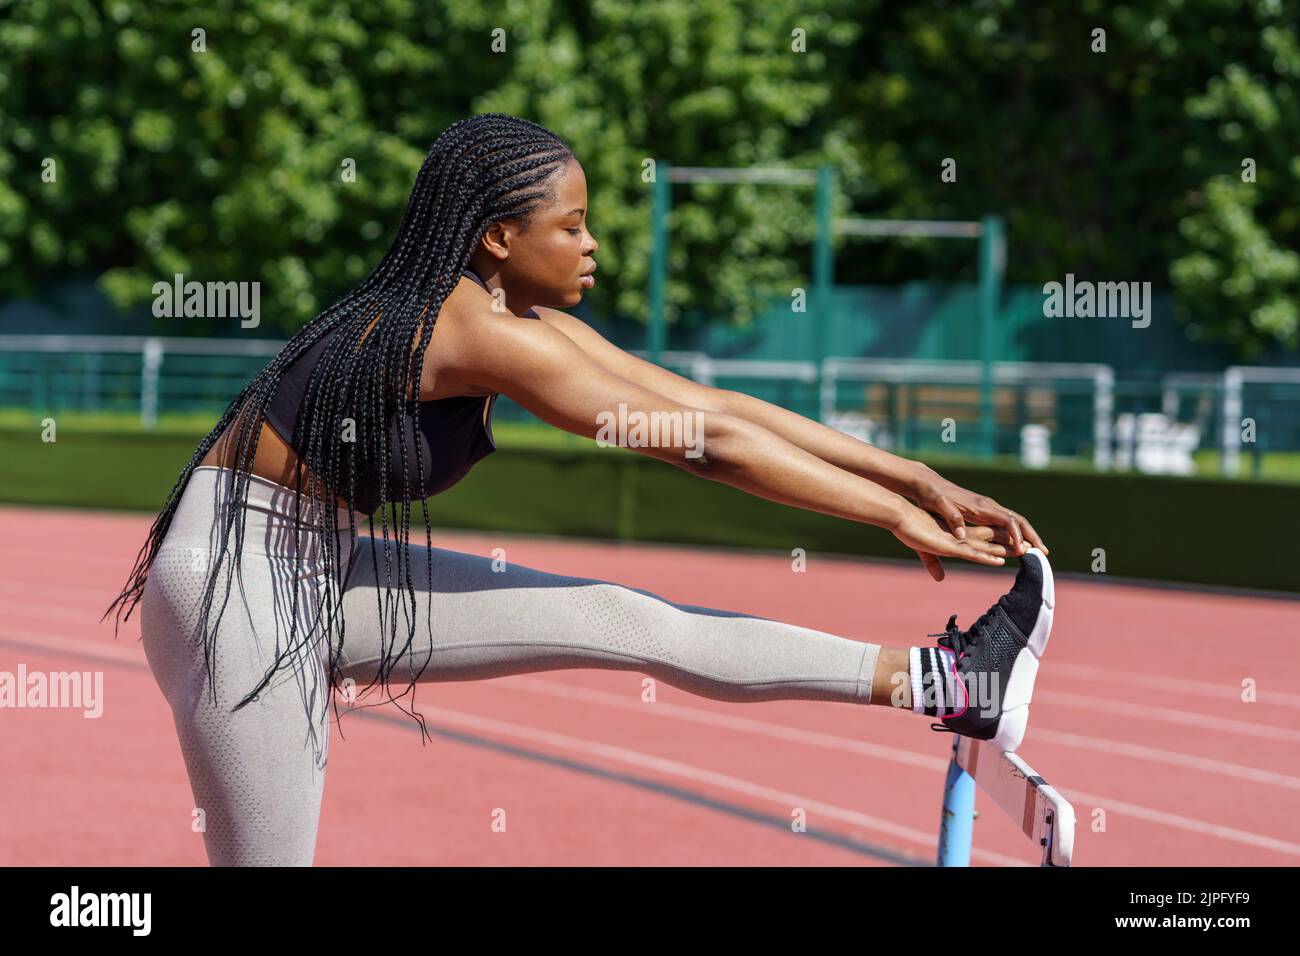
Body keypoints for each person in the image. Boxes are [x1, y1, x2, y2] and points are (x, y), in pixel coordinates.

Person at [102, 113, 1055, 866]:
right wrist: (891, 515)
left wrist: (912, 474)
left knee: (619, 618)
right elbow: (702, 445)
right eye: (572, 225)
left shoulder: (512, 318)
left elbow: (710, 402)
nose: (593, 244)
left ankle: (952, 682)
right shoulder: (472, 332)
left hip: (318, 563)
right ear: (500, 237)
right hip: (238, 587)